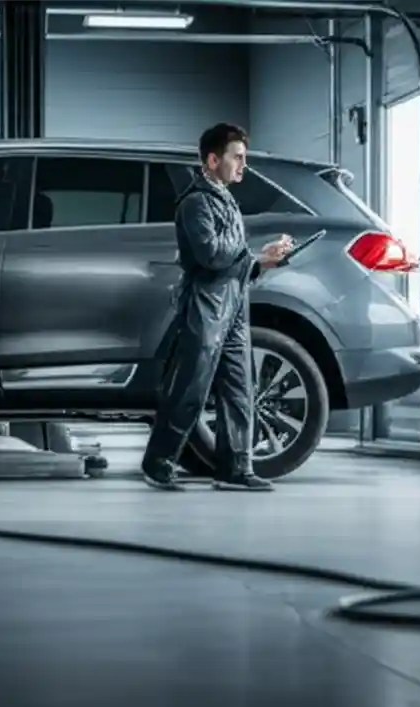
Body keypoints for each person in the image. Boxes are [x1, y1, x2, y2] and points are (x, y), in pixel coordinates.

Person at [140, 122, 293, 492]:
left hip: (234, 306)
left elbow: (234, 261)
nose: (243, 165)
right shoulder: (195, 203)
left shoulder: (225, 198)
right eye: (237, 157)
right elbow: (210, 255)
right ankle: (158, 462)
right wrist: (253, 255)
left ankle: (236, 468)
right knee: (190, 386)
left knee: (240, 389)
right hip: (204, 307)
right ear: (212, 160)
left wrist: (263, 262)